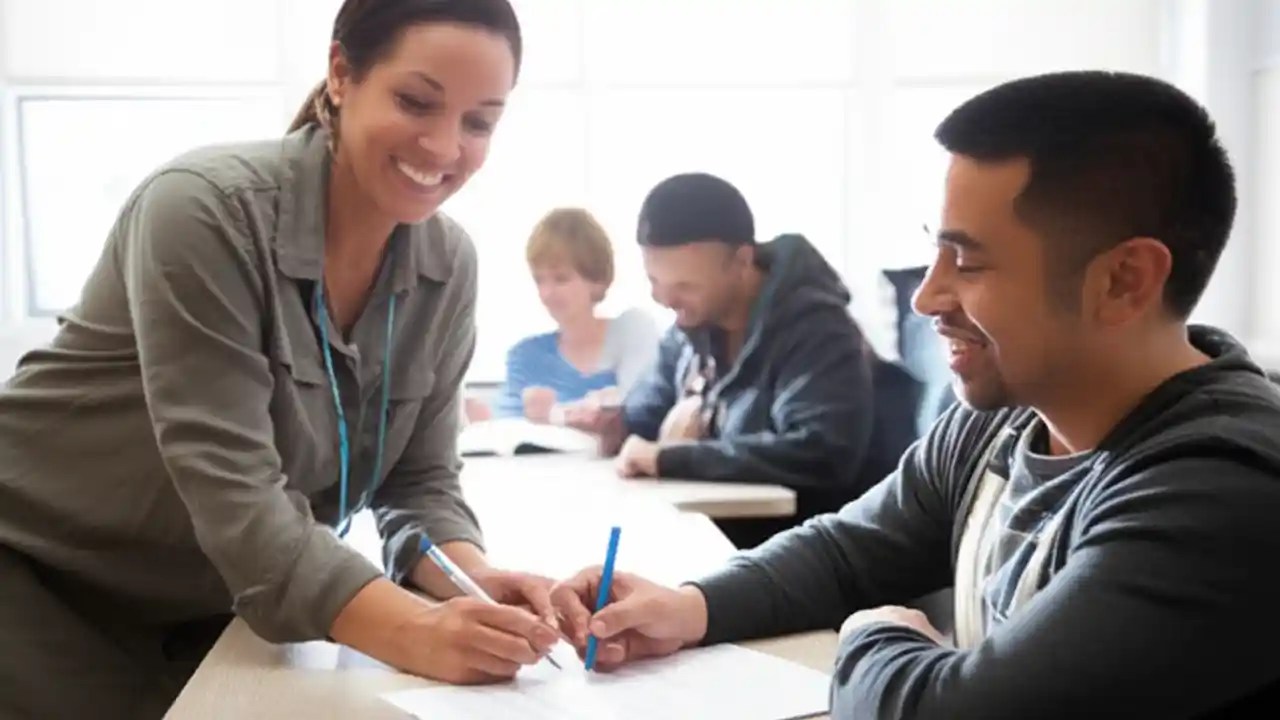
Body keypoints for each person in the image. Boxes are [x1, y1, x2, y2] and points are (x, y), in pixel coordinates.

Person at [550, 71, 1280, 718]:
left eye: (967, 259)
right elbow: (848, 550)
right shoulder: (1001, 420)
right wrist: (690, 607)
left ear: (1123, 282)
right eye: (936, 250)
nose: (928, 297)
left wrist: (875, 634)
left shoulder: (1217, 494)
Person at [0, 2, 563, 718]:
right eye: (416, 101)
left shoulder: (448, 265)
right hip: (38, 577)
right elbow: (238, 493)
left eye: (479, 121)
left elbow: (419, 483)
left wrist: (475, 582)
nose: (446, 146)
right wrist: (418, 629)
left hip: (211, 603)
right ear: (340, 74)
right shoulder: (204, 210)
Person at [564, 173, 920, 549]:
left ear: (742, 261)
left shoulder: (818, 330)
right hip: (729, 547)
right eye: (654, 281)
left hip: (814, 559)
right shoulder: (690, 328)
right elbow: (647, 413)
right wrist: (615, 424)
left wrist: (669, 460)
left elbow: (820, 452)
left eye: (685, 286)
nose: (664, 299)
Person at [483, 207, 659, 422]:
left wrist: (553, 415)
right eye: (539, 280)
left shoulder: (632, 335)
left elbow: (644, 415)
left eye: (561, 279)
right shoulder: (525, 357)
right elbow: (505, 435)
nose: (547, 293)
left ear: (597, 280)